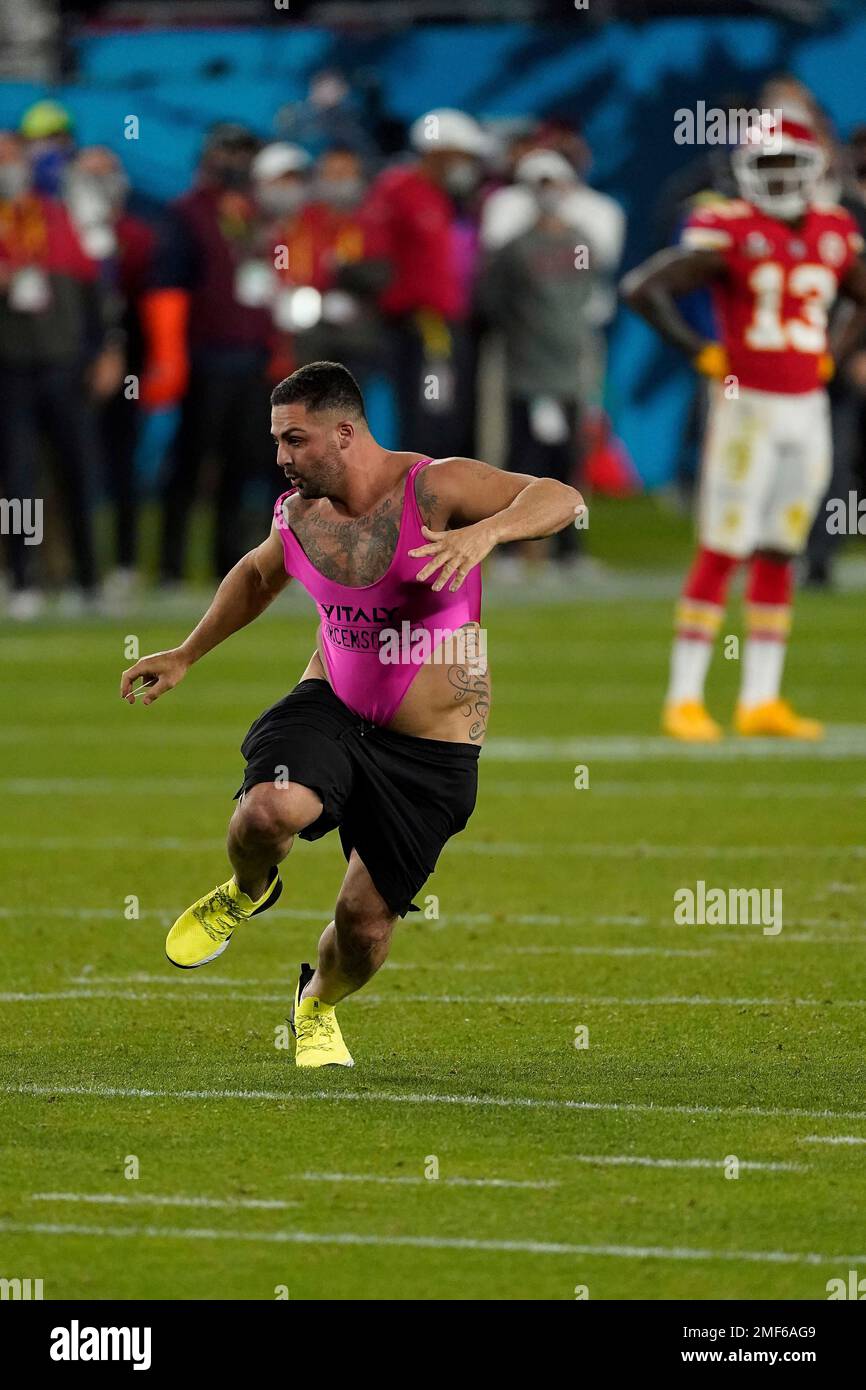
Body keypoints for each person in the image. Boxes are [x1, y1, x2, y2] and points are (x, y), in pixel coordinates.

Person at [120, 361, 583, 1067]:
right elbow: (255, 575)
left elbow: (562, 496)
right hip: (331, 706)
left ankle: (318, 1003)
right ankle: (247, 890)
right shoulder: (298, 516)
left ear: (344, 433)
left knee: (363, 929)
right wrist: (187, 653)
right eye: (278, 441)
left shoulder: (437, 486)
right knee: (267, 812)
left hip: (432, 751)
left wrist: (485, 536)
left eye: (295, 440)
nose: (280, 458)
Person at [622, 113, 866, 741]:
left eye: (791, 165)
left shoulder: (836, 231)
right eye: (769, 165)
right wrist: (702, 350)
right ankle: (684, 697)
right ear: (748, 173)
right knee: (723, 547)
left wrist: (835, 354)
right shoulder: (729, 228)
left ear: (812, 171)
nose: (781, 177)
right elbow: (644, 287)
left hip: (806, 407)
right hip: (746, 405)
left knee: (781, 548)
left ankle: (760, 698)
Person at [142, 123, 276, 583]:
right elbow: (169, 286)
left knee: (244, 463)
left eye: (246, 153)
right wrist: (170, 353)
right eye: (231, 153)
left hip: (252, 356)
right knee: (191, 459)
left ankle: (231, 565)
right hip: (207, 354)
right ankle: (170, 566)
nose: (239, 163)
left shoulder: (257, 216)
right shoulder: (187, 213)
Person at [0, 130, 115, 617]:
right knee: (18, 480)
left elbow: (95, 289)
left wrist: (110, 349)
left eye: (11, 157)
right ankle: (23, 581)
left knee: (77, 472)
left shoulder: (59, 217)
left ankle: (88, 580)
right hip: (8, 368)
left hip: (66, 365)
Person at [364, 107, 489, 458]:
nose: (469, 168)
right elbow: (374, 257)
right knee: (427, 417)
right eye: (462, 158)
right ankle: (418, 504)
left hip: (454, 326)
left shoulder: (454, 201)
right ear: (437, 154)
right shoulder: (398, 189)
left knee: (449, 417)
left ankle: (445, 501)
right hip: (420, 329)